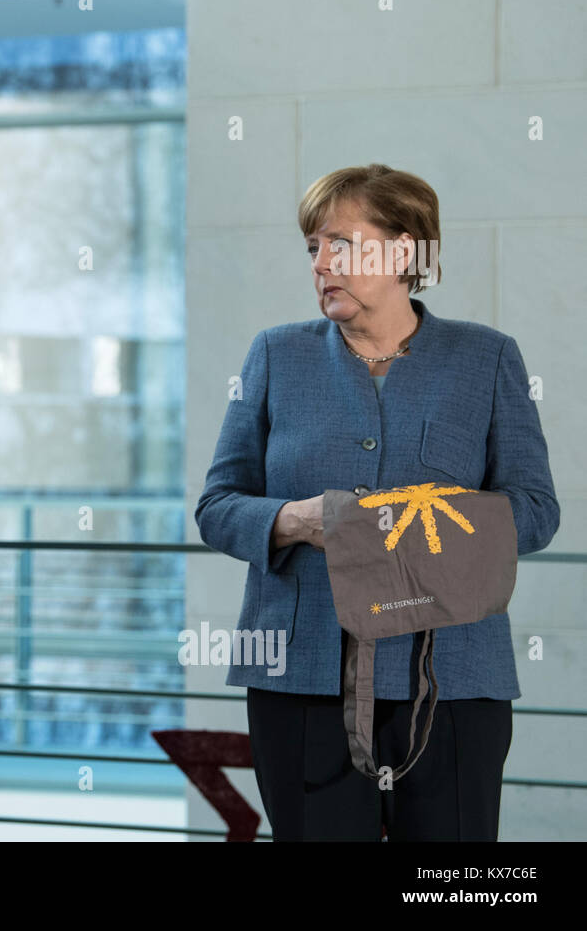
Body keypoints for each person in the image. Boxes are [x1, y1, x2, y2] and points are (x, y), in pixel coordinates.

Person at [195, 164, 559, 841]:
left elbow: (535, 509)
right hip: (300, 674)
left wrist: (424, 522)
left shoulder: (487, 358)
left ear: (405, 252)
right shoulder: (274, 355)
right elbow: (217, 504)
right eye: (312, 248)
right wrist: (294, 519)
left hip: (454, 677)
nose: (322, 264)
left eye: (343, 243)